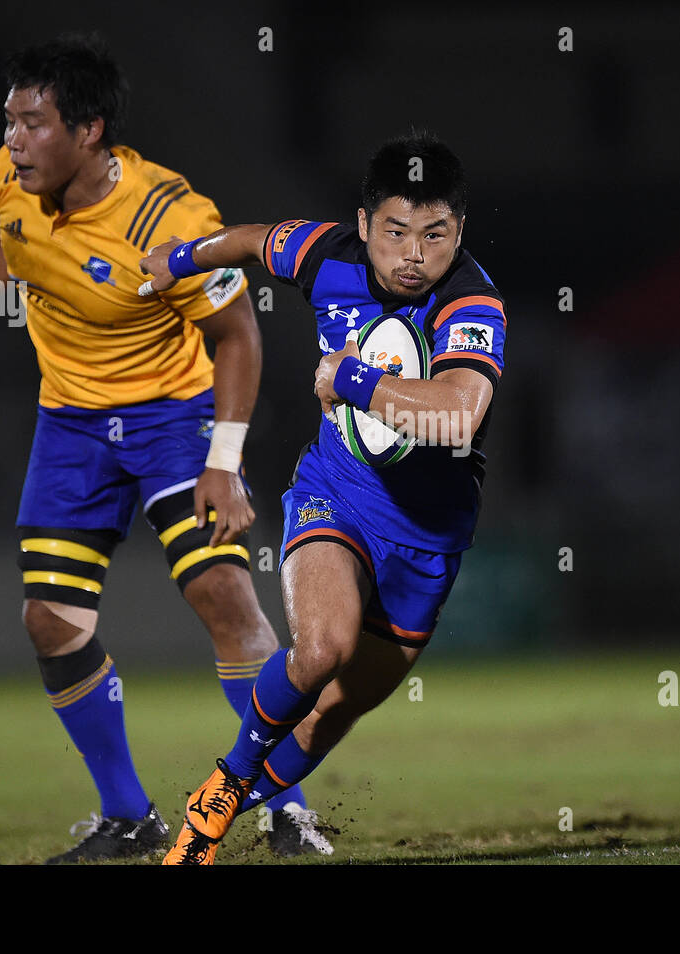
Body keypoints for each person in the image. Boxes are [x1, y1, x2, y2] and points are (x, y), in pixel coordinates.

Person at [0, 33, 324, 862]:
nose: (13, 140)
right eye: (9, 121)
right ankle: (128, 817)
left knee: (226, 602)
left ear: (89, 130)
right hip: (73, 428)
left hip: (175, 418)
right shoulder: (13, 178)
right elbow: (6, 239)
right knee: (50, 621)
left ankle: (288, 809)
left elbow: (238, 335)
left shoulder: (171, 217)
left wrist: (223, 464)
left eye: (33, 123)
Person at [137, 131, 507, 865]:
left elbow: (459, 413)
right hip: (335, 496)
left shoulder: (472, 300)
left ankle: (232, 793)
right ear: (365, 224)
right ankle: (217, 800)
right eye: (395, 231)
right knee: (323, 649)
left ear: (458, 231)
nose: (412, 255)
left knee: (335, 711)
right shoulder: (324, 253)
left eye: (434, 235)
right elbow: (248, 241)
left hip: (429, 541)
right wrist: (177, 261)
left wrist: (352, 379)